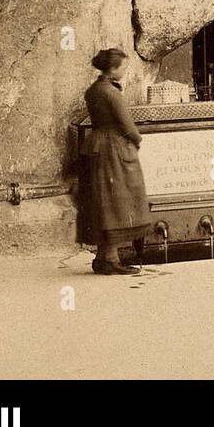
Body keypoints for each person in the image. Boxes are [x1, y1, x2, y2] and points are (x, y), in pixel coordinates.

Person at [83, 48, 151, 275]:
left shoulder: (93, 90)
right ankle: (111, 258)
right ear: (113, 69)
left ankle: (102, 256)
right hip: (114, 148)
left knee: (104, 201)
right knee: (119, 201)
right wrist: (137, 139)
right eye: (123, 67)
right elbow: (126, 124)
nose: (125, 71)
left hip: (96, 145)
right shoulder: (112, 93)